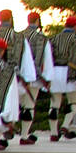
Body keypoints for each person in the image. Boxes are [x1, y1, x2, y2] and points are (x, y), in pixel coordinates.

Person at [0, 10, 36, 145]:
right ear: (10, 19)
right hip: (9, 78)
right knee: (8, 106)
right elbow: (26, 60)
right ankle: (2, 136)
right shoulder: (19, 38)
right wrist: (27, 79)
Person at [46, 16, 76, 140]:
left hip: (55, 73)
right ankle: (65, 125)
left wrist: (46, 76)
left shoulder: (53, 38)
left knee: (54, 104)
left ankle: (53, 133)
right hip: (70, 73)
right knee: (73, 102)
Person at [18, 12, 53, 144]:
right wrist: (47, 78)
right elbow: (47, 59)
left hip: (19, 77)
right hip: (35, 78)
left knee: (15, 106)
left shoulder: (18, 36)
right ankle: (24, 135)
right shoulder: (42, 38)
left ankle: (4, 137)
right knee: (29, 106)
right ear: (37, 21)